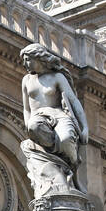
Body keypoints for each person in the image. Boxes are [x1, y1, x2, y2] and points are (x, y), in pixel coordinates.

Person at [20, 43, 89, 195]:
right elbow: (26, 108)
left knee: (65, 139)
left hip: (59, 115)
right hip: (39, 117)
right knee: (33, 126)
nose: (25, 63)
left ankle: (71, 164)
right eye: (24, 60)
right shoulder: (27, 80)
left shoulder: (57, 77)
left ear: (39, 59)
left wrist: (85, 127)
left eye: (28, 59)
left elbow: (73, 101)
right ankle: (55, 158)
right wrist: (27, 125)